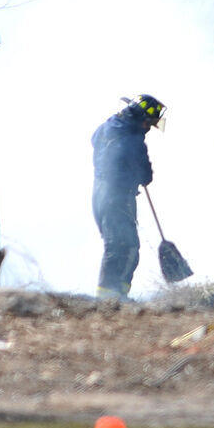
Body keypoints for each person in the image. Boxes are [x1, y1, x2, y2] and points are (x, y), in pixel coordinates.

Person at [91, 94, 166, 300]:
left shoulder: (107, 128)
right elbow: (145, 174)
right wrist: (140, 173)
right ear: (141, 118)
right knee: (125, 244)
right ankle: (112, 296)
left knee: (115, 243)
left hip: (99, 194)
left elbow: (95, 143)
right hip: (119, 196)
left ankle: (111, 295)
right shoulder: (133, 139)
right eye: (148, 123)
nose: (148, 128)